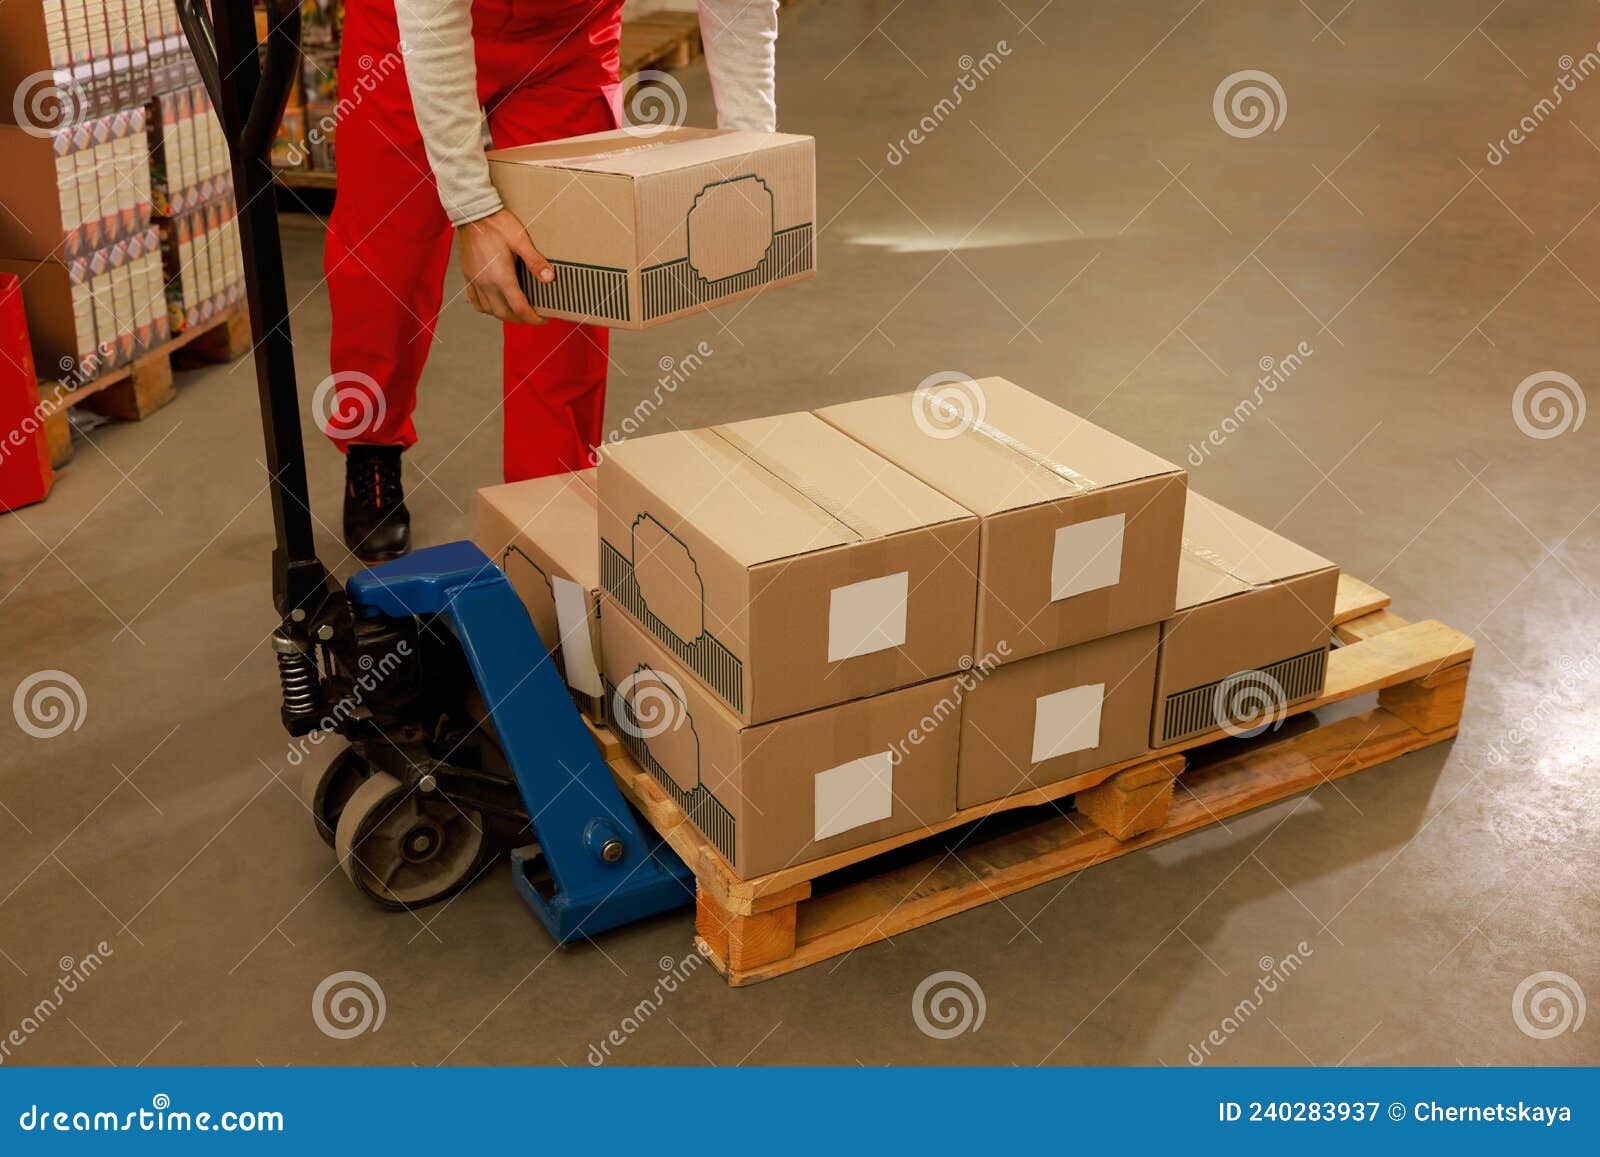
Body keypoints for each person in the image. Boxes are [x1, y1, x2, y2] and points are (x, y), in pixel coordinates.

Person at [325, 0, 779, 561]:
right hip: (407, 31)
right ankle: (373, 444)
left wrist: (751, 151)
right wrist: (473, 210)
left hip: (567, 40)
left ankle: (549, 499)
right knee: (385, 256)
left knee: (569, 273)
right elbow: (432, 17)